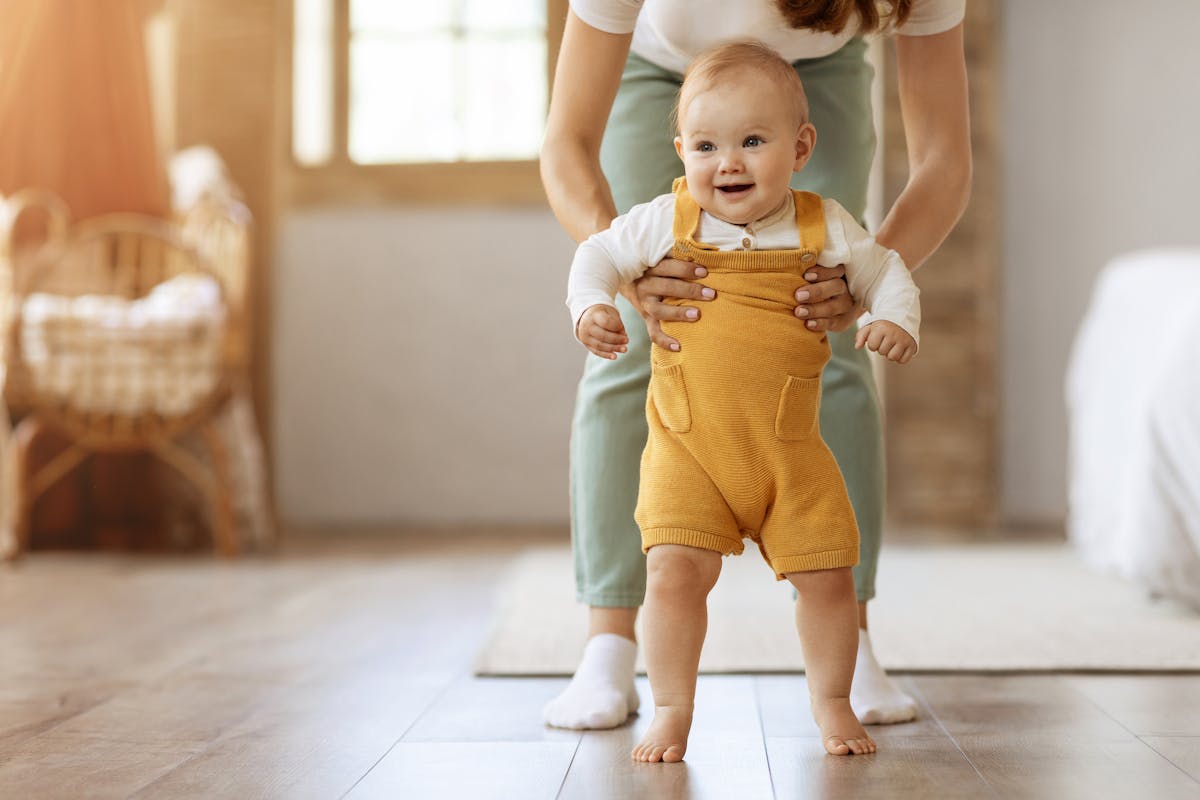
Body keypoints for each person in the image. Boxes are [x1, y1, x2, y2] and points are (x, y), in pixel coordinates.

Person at [541, 0, 971, 734]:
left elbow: (944, 160)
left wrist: (863, 286)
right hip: (659, 72)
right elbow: (567, 140)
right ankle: (609, 643)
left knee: (820, 325)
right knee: (641, 343)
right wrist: (626, 281)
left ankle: (850, 636)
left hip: (815, 69)